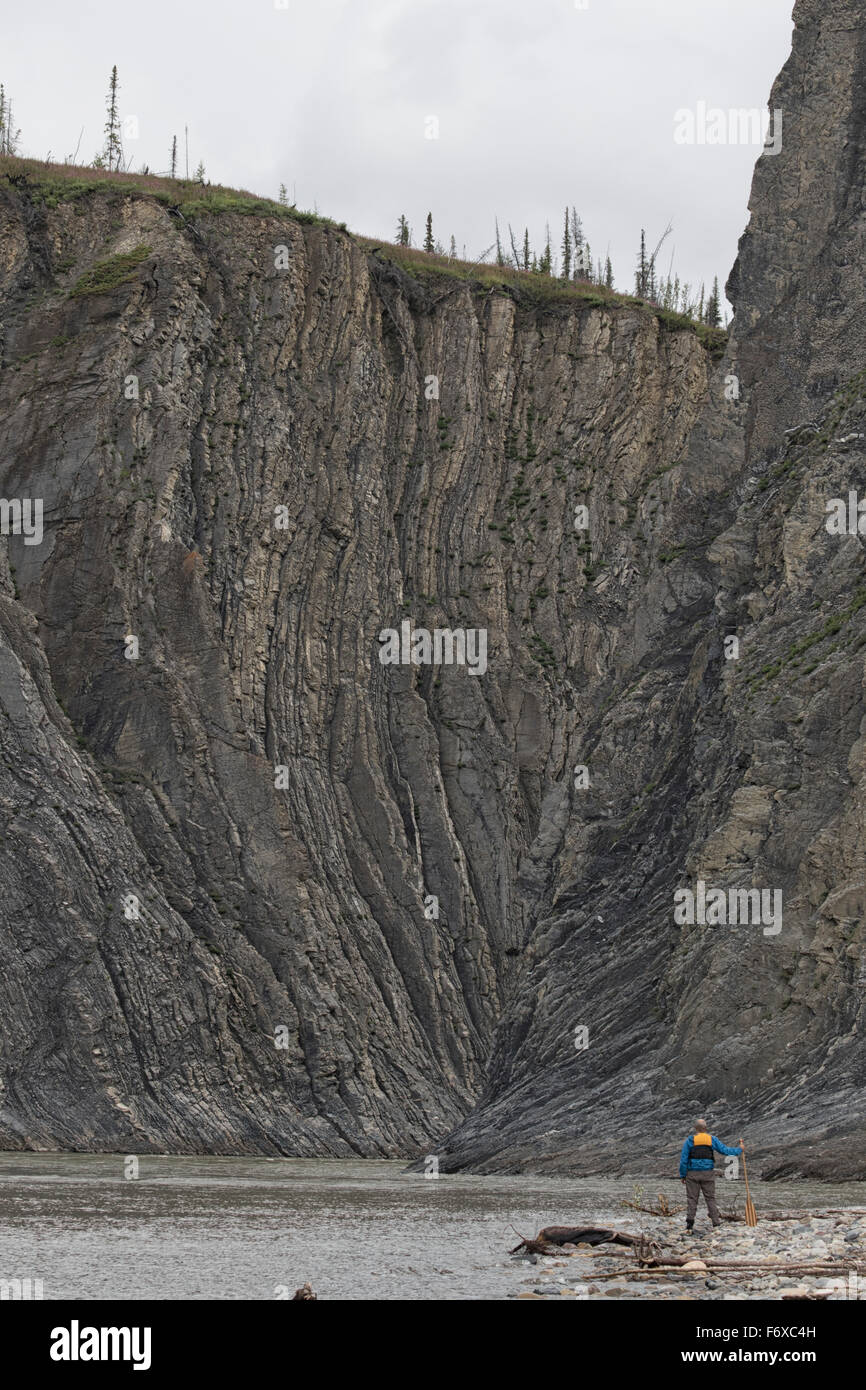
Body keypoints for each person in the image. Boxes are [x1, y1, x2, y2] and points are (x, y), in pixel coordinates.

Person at [678, 1119, 742, 1231]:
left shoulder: (690, 1140)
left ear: (695, 1129)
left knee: (692, 1199)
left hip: (692, 1174)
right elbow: (725, 1151)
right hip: (708, 1173)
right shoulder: (712, 1139)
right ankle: (716, 1222)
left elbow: (683, 1160)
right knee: (710, 1198)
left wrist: (683, 1175)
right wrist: (739, 1150)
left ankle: (690, 1223)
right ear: (705, 1128)